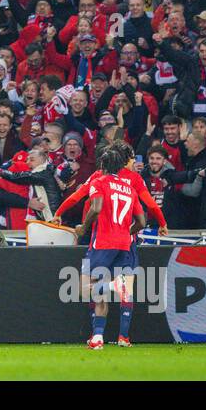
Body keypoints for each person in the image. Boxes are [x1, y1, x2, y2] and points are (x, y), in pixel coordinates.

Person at [75, 144, 147, 350]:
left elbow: (96, 208)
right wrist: (126, 232)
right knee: (98, 292)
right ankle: (98, 337)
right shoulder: (130, 189)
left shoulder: (99, 181)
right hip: (124, 244)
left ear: (103, 165)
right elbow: (142, 222)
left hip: (103, 242)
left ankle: (115, 285)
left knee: (82, 289)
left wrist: (83, 227)